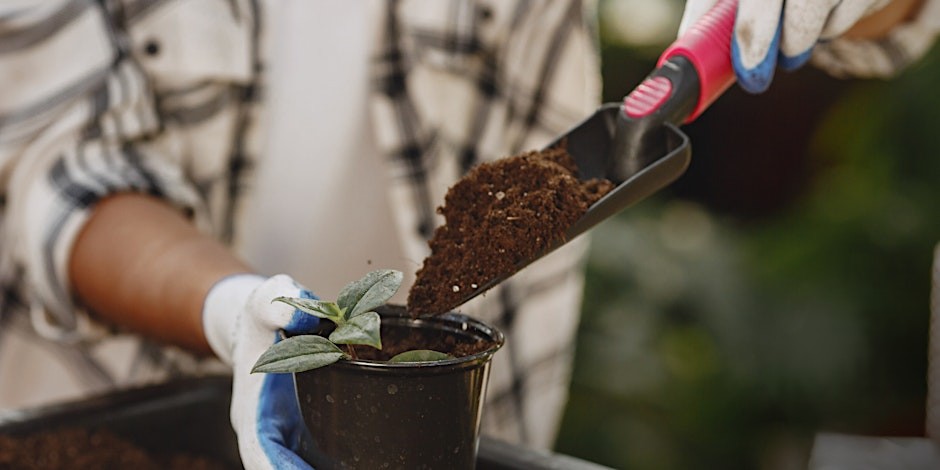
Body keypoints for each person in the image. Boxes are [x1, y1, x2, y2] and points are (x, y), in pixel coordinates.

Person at [0, 1, 935, 469]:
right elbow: (52, 158)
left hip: (468, 425)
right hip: (128, 415)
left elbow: (890, 21)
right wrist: (237, 309)